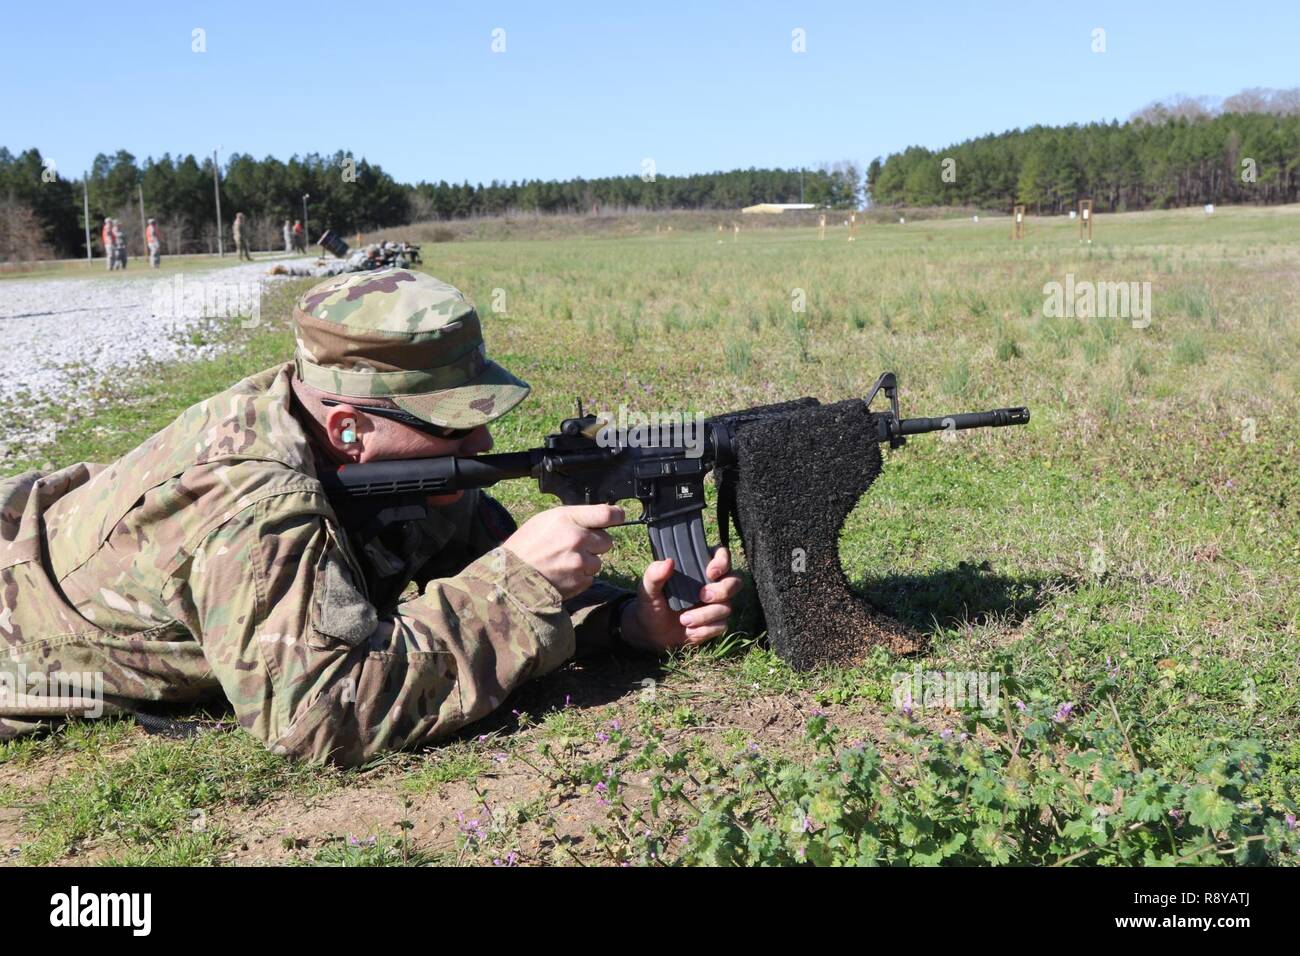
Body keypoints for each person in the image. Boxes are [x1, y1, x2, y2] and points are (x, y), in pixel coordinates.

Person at [0, 269, 741, 766]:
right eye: (452, 424)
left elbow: (477, 565)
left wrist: (619, 624)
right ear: (351, 428)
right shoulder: (253, 507)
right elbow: (319, 712)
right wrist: (519, 583)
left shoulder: (375, 461)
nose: (480, 442)